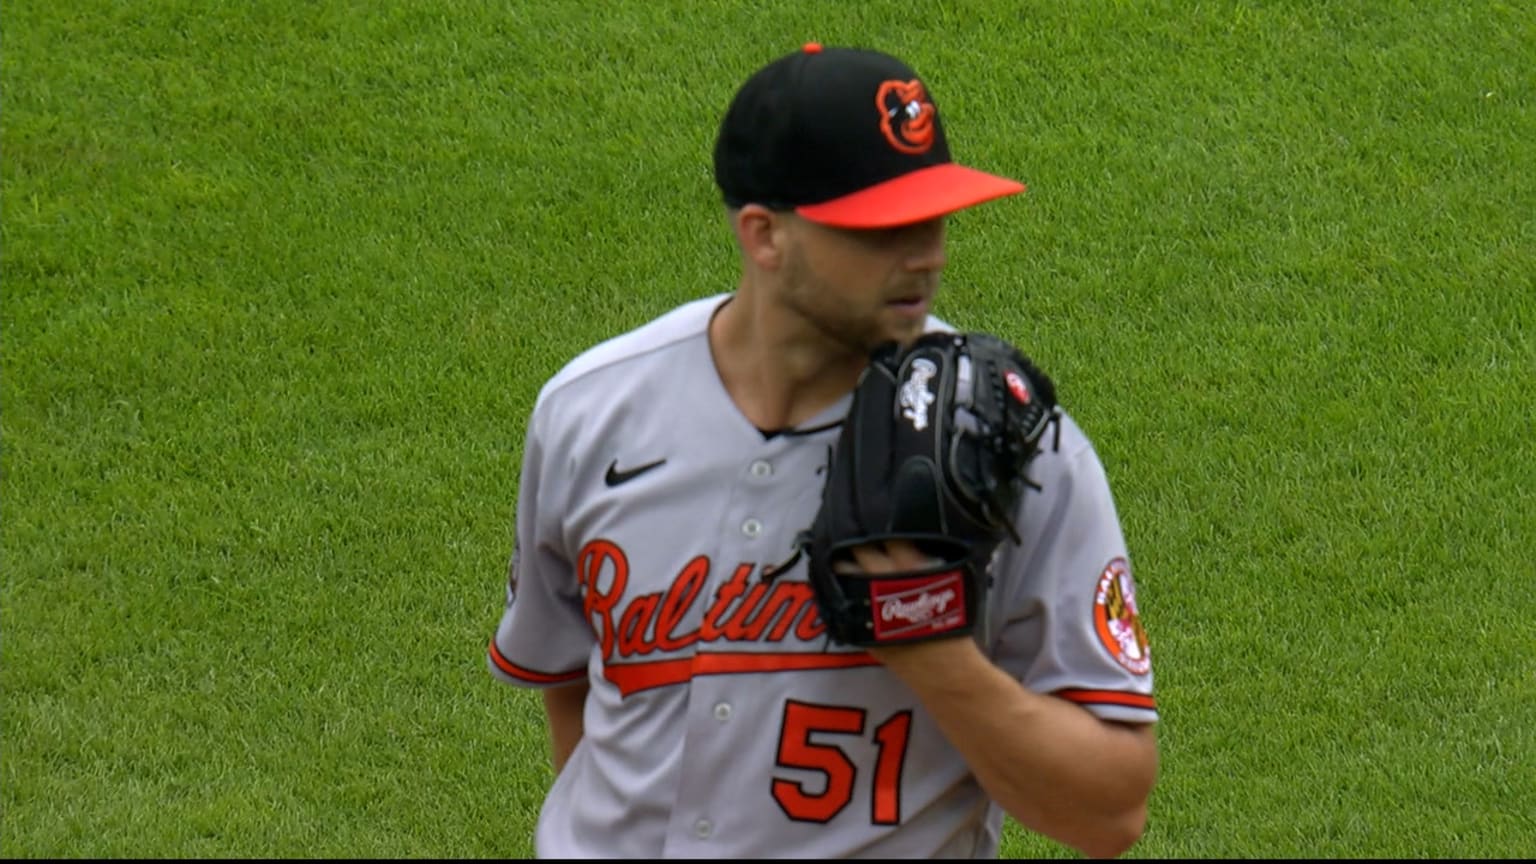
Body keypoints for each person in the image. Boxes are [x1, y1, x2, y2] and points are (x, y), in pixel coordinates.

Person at [486, 42, 1159, 859]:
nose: (928, 254)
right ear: (765, 236)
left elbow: (1110, 812)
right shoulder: (589, 414)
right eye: (884, 228)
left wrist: (931, 650)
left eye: (935, 217)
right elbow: (570, 689)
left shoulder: (1013, 453)